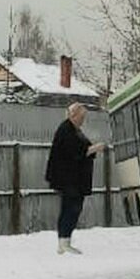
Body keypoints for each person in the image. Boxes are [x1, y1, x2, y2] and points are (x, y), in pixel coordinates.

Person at [45, 103, 106, 254]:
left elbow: (82, 149)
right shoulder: (66, 130)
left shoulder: (74, 130)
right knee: (70, 208)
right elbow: (75, 153)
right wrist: (94, 148)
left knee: (72, 208)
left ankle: (65, 241)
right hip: (68, 179)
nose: (83, 120)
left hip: (74, 179)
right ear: (73, 115)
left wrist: (91, 149)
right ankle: (64, 241)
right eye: (81, 117)